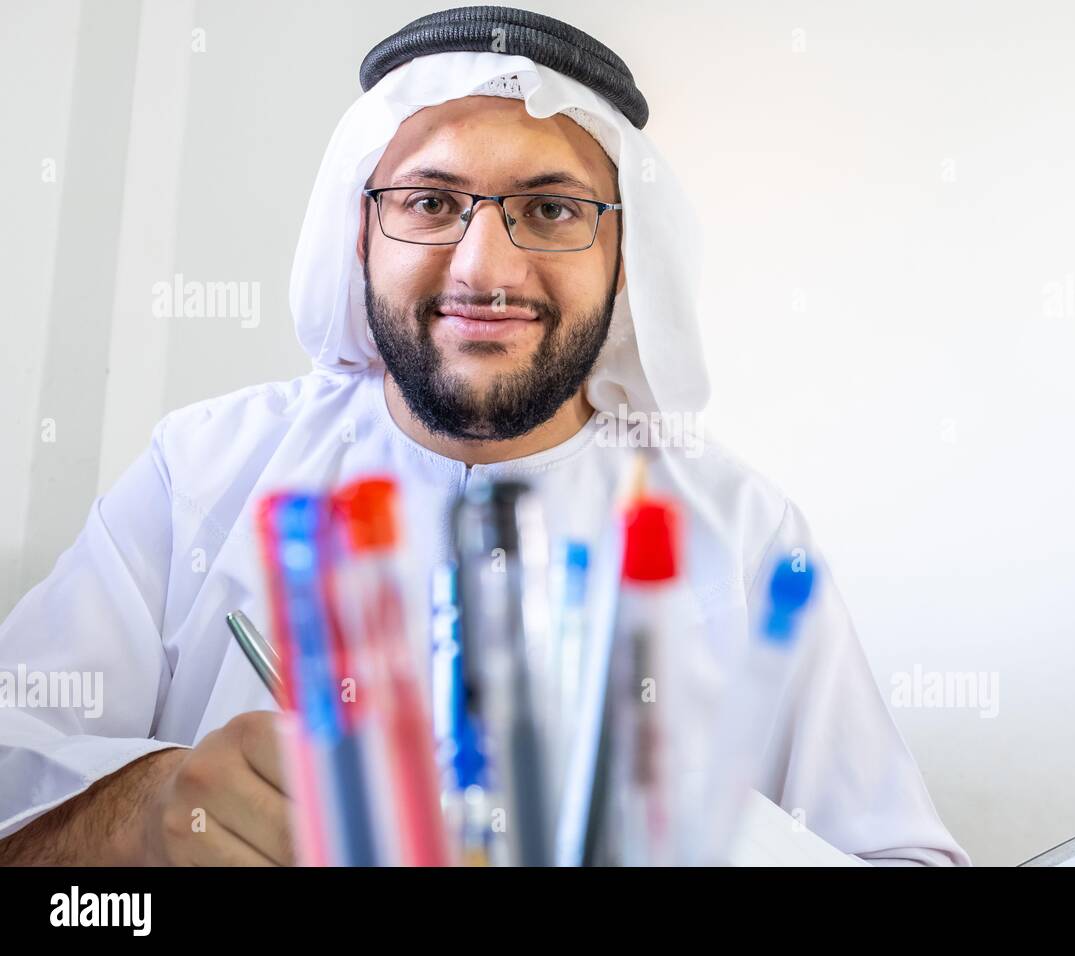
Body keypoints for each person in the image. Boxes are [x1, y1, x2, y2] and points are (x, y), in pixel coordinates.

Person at [0, 6, 969, 866]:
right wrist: (142, 808)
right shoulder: (200, 471)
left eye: (551, 209)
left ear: (626, 257)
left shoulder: (744, 532)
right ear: (358, 233)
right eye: (430, 202)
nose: (484, 268)